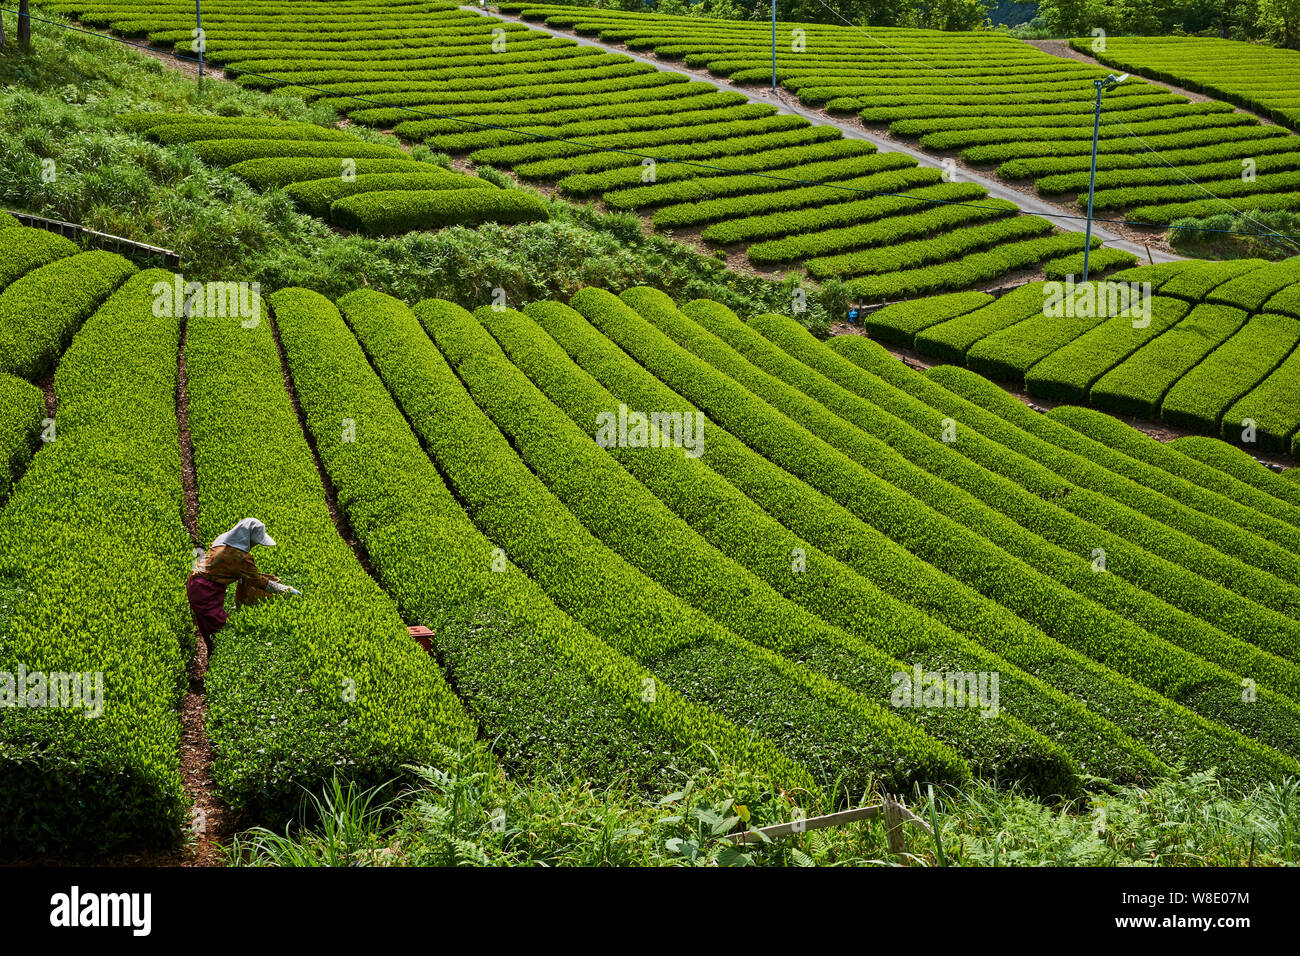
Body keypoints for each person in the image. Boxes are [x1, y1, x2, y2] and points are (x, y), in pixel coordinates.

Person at [187, 517, 280, 645]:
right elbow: (258, 581)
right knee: (218, 627)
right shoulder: (241, 558)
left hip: (196, 582)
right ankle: (213, 654)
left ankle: (210, 653)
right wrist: (284, 589)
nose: (255, 544)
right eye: (255, 541)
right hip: (205, 590)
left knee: (207, 624)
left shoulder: (222, 541)